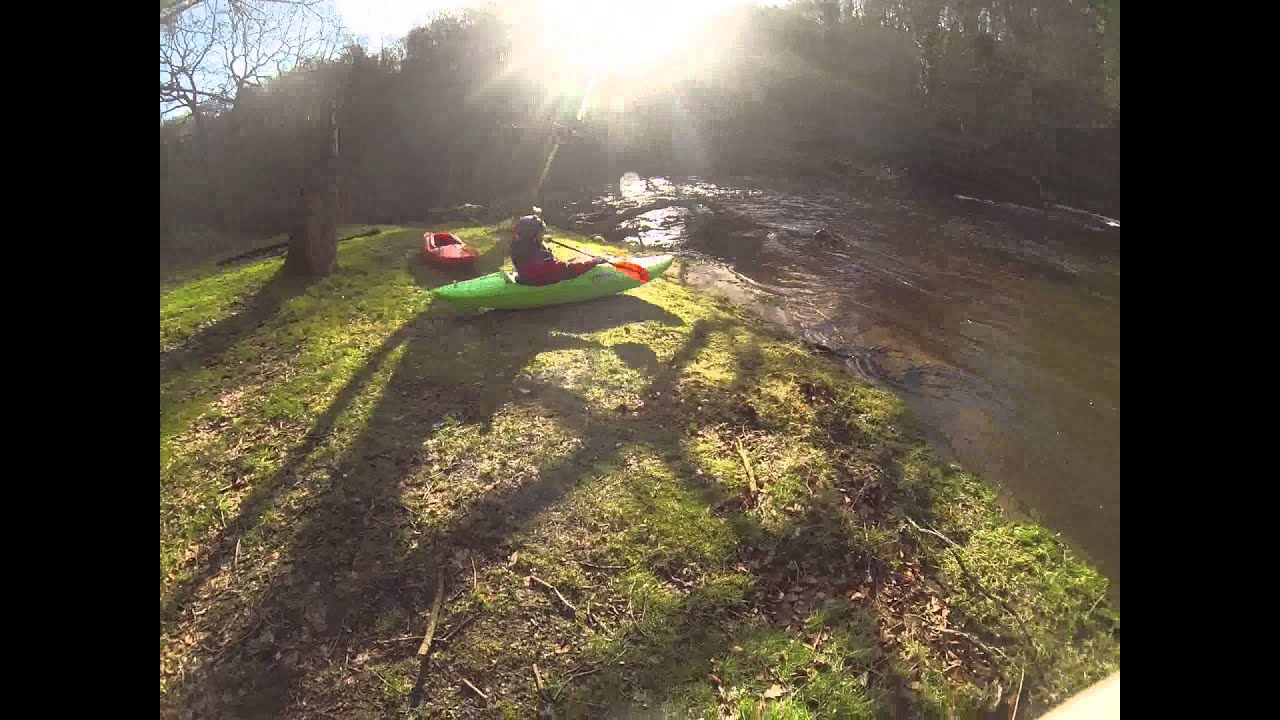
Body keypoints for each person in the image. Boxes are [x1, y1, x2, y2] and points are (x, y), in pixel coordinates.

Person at [510, 214, 605, 286]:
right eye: (541, 233)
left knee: (576, 259)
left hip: (526, 277)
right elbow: (567, 269)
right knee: (575, 265)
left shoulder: (518, 247)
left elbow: (533, 248)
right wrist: (593, 262)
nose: (543, 234)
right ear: (533, 236)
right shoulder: (542, 257)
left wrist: (541, 241)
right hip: (540, 281)